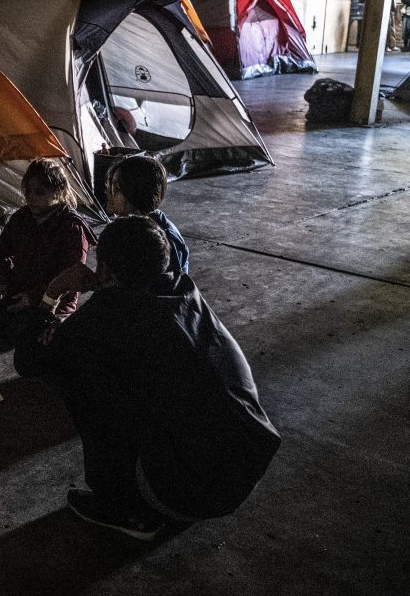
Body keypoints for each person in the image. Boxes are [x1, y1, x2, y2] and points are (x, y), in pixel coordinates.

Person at [15, 216, 281, 540]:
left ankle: (124, 507)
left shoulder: (108, 313)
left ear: (107, 272)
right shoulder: (184, 290)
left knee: (77, 375)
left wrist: (52, 293)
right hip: (242, 471)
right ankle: (158, 485)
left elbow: (27, 361)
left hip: (187, 492)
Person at [0, 159, 96, 347]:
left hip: (55, 301)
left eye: (39, 192)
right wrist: (1, 281)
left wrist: (36, 297)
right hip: (21, 290)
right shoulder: (22, 218)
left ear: (59, 193)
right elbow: (2, 250)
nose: (31, 198)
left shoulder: (71, 227)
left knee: (24, 334)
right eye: (28, 191)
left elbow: (72, 276)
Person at [104, 154, 189, 275]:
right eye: (109, 185)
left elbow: (166, 289)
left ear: (135, 192)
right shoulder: (126, 227)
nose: (108, 192)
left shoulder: (163, 241)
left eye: (115, 188)